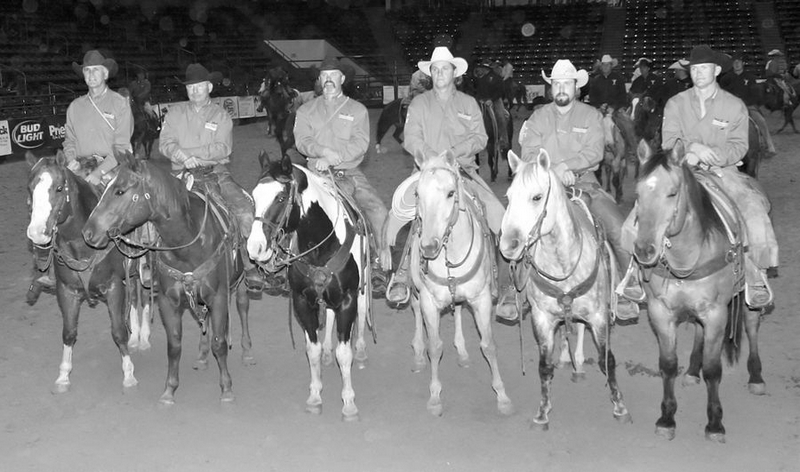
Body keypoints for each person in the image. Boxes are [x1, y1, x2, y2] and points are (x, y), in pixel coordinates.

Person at [382, 46, 512, 313]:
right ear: (431, 74)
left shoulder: (468, 103)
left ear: (455, 73)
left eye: (445, 68)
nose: (440, 73)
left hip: (463, 171)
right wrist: (432, 159)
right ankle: (401, 273)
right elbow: (411, 138)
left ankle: (504, 284)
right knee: (396, 218)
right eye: (436, 69)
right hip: (426, 173)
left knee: (500, 219)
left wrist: (454, 154)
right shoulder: (418, 104)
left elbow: (480, 138)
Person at [512, 59, 642, 321]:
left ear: (576, 88)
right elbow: (528, 151)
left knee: (618, 225)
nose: (561, 88)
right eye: (556, 83)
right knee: (514, 224)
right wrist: (553, 171)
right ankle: (514, 288)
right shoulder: (537, 117)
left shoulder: (591, 116)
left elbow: (594, 152)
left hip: (583, 182)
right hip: (544, 185)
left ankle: (629, 282)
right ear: (551, 88)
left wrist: (566, 166)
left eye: (566, 84)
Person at [660, 45, 777, 309]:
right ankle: (635, 273)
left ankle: (756, 273)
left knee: (753, 208)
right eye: (694, 69)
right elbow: (668, 141)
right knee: (646, 208)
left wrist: (712, 154)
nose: (698, 73)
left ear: (715, 70)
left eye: (703, 68)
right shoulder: (676, 103)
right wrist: (691, 149)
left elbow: (739, 147)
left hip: (723, 171)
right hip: (684, 169)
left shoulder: (734, 106)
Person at [28, 49, 134, 304]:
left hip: (112, 166)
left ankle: (138, 262)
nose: (90, 75)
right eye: (86, 71)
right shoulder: (75, 107)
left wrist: (99, 172)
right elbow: (69, 140)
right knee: (56, 205)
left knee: (130, 206)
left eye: (95, 70)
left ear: (105, 74)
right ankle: (51, 269)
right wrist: (72, 161)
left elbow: (121, 147)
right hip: (80, 166)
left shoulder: (119, 104)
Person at [158, 63, 265, 293]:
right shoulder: (175, 114)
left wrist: (192, 154)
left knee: (245, 211)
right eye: (190, 87)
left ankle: (249, 264)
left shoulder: (221, 115)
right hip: (180, 174)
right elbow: (165, 143)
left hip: (216, 173)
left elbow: (222, 148)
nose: (195, 90)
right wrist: (181, 156)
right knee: (153, 212)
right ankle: (152, 264)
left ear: (209, 87)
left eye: (199, 86)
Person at [292, 56, 388, 292]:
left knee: (378, 210)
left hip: (349, 170)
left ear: (342, 79)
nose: (328, 80)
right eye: (324, 76)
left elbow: (360, 143)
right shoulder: (306, 110)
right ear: (319, 80)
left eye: (333, 75)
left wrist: (335, 157)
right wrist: (322, 153)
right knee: (286, 206)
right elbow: (302, 140)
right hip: (315, 170)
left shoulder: (357, 110)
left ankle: (377, 262)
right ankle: (288, 262)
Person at [720, 52, 776, 157]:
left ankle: (770, 146)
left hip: (748, 106)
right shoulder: (725, 79)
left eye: (739, 62)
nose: (737, 64)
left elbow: (755, 95)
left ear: (743, 63)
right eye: (735, 62)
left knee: (761, 121)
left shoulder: (751, 78)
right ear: (732, 64)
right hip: (731, 108)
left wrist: (748, 104)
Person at [473, 60, 509, 147]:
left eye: (482, 68)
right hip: (483, 100)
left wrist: (491, 99)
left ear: (486, 69)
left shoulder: (496, 78)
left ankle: (504, 139)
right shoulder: (481, 79)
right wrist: (479, 99)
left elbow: (500, 91)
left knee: (500, 116)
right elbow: (478, 91)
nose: (480, 69)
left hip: (495, 100)